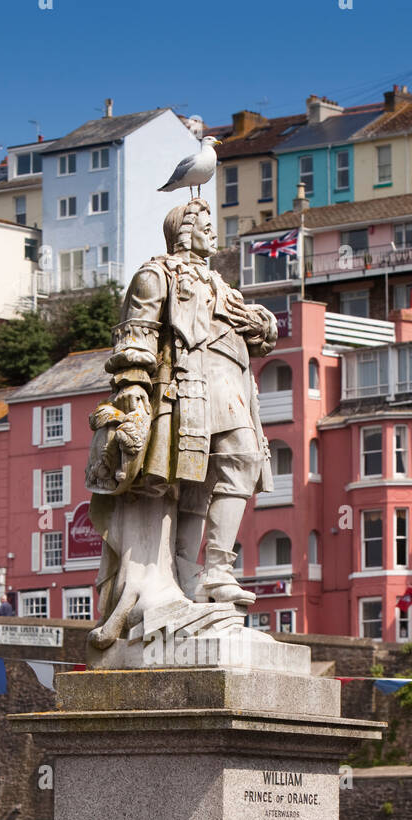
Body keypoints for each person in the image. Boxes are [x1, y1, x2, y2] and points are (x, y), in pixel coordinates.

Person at [87, 198, 278, 646]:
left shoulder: (223, 286)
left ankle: (216, 568)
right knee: (193, 482)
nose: (214, 233)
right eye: (206, 224)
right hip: (187, 385)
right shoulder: (157, 273)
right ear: (184, 229)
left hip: (231, 386)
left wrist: (257, 320)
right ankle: (189, 574)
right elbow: (137, 333)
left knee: (242, 460)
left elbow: (265, 336)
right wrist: (133, 388)